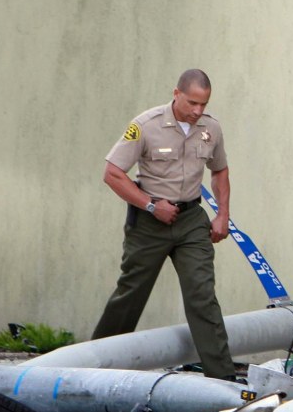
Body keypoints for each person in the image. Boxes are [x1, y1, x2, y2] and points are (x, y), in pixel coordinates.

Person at [93, 68, 237, 381]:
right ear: (176, 94)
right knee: (131, 294)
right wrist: (149, 205)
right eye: (192, 103)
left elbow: (220, 170)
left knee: (202, 296)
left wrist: (223, 214)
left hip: (190, 221)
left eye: (204, 104)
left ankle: (223, 380)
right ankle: (93, 369)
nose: (198, 111)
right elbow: (112, 174)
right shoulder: (145, 125)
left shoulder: (210, 128)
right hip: (149, 222)